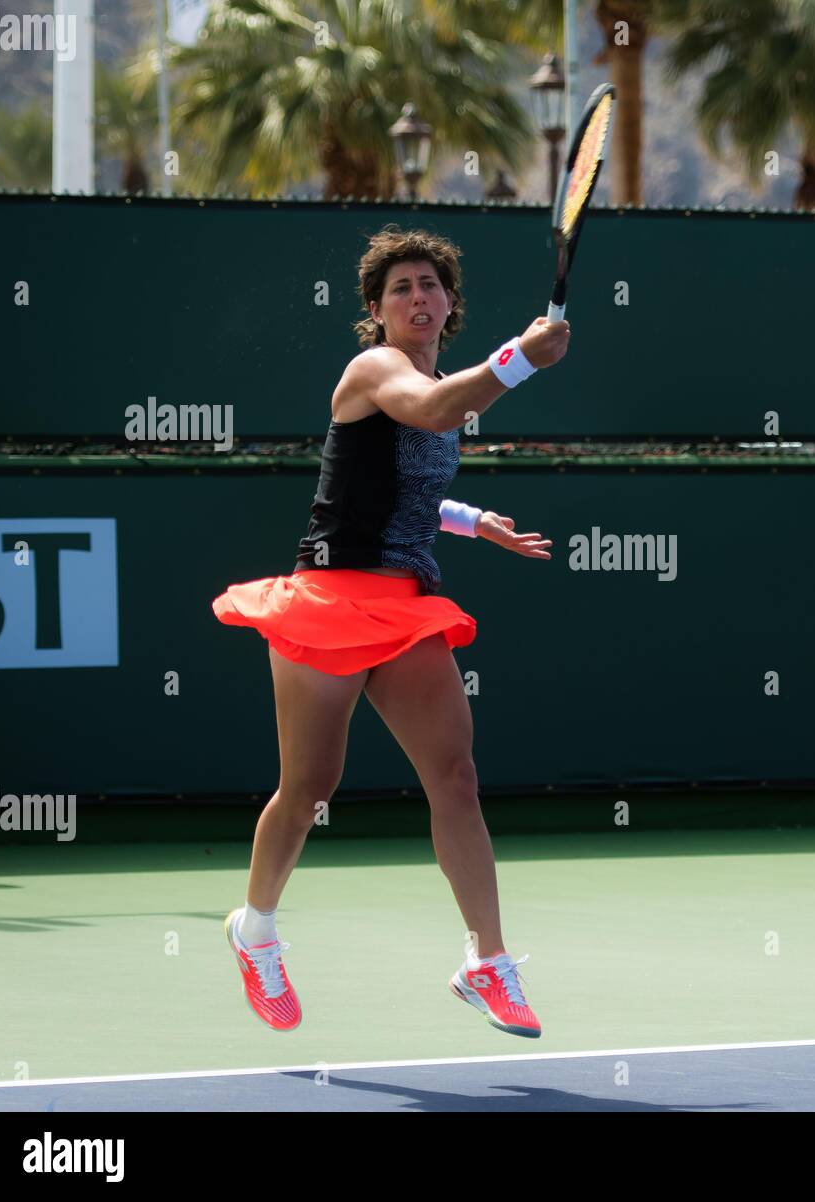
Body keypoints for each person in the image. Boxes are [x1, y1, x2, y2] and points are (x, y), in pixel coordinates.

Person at [211, 225, 569, 1038]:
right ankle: (256, 930)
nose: (418, 296)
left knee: (456, 776)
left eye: (430, 285)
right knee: (308, 792)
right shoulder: (378, 371)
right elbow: (438, 406)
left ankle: (488, 961)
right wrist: (520, 359)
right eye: (401, 287)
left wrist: (476, 522)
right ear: (377, 310)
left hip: (406, 607)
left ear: (449, 304)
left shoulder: (438, 384)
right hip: (328, 601)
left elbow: (395, 488)